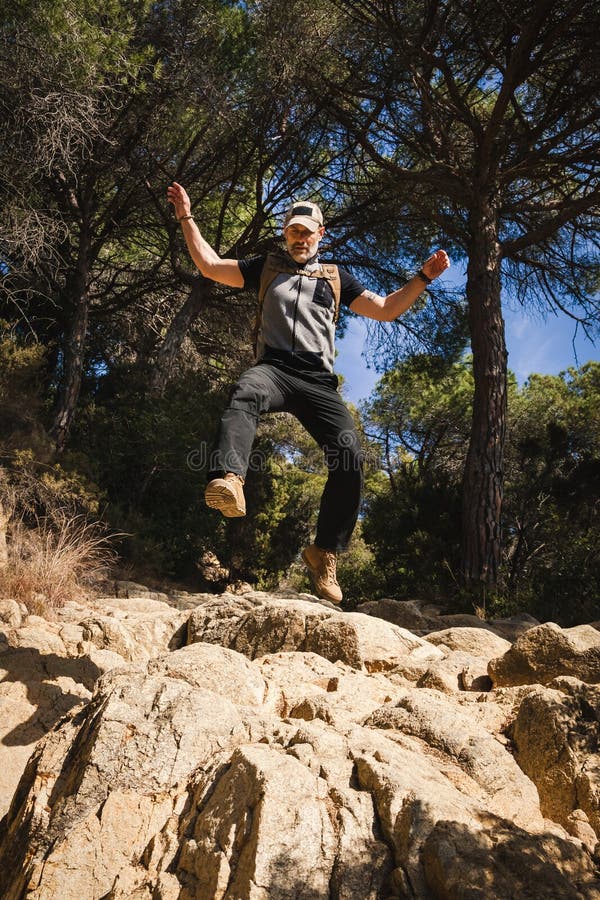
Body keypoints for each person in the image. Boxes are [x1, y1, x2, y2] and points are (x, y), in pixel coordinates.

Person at [167, 182, 449, 603]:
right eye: (293, 231)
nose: (299, 238)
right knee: (245, 392)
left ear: (322, 234)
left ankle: (323, 553)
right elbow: (209, 265)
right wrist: (187, 217)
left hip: (318, 380)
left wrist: (423, 277)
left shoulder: (338, 277)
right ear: (285, 234)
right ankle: (230, 480)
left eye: (307, 231)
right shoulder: (264, 267)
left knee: (349, 456)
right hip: (274, 368)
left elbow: (387, 309)